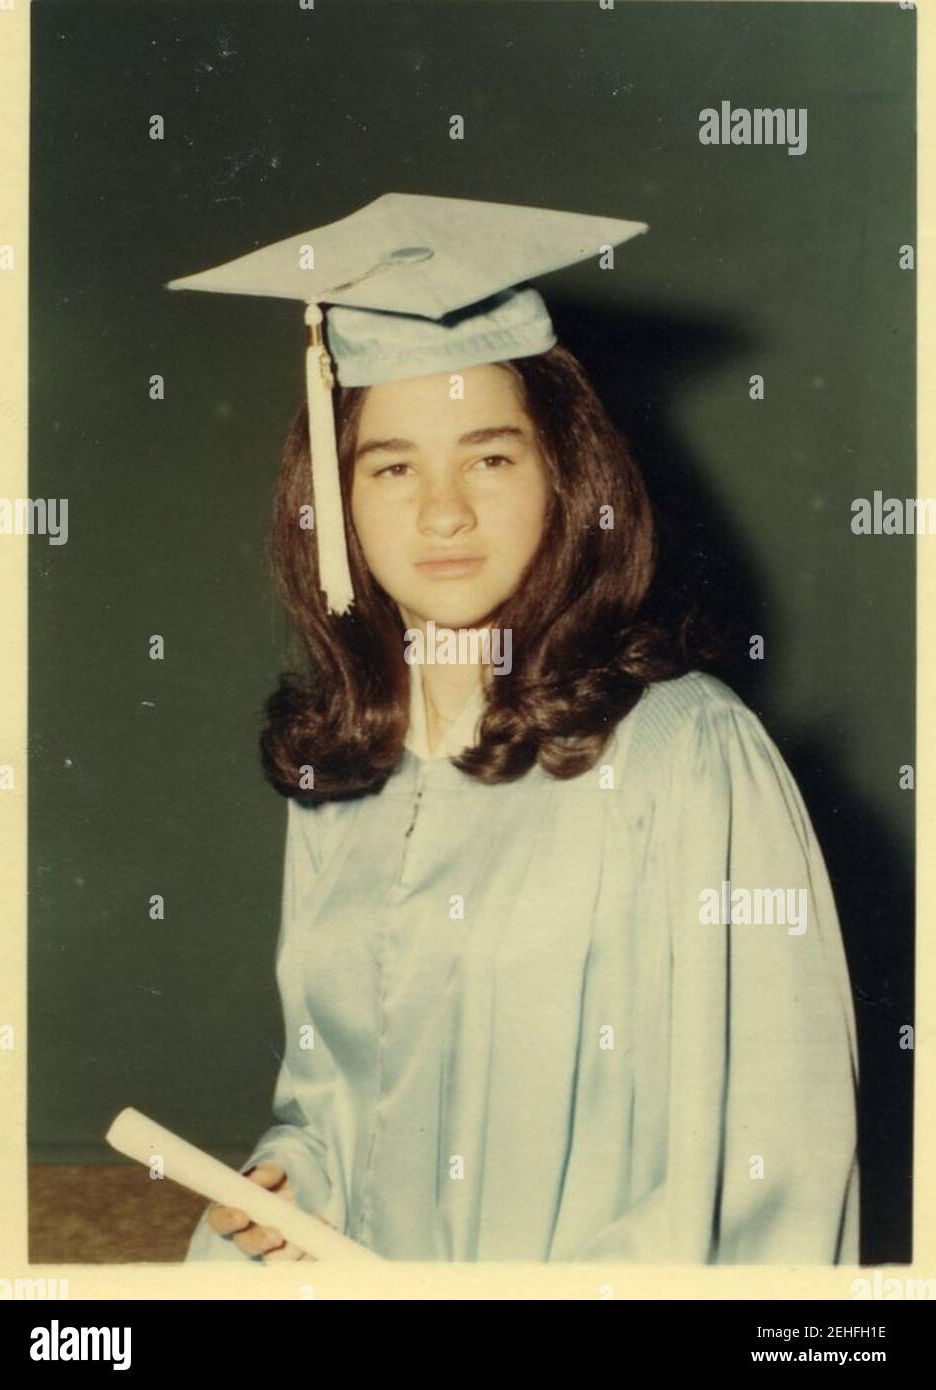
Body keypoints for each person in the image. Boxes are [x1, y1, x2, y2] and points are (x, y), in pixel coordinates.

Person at [169, 194, 859, 1263]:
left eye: (488, 457)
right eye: (390, 465)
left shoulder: (684, 753)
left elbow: (770, 1161)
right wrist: (292, 1180)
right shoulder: (345, 771)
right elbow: (335, 1100)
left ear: (562, 480)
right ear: (333, 500)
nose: (441, 512)